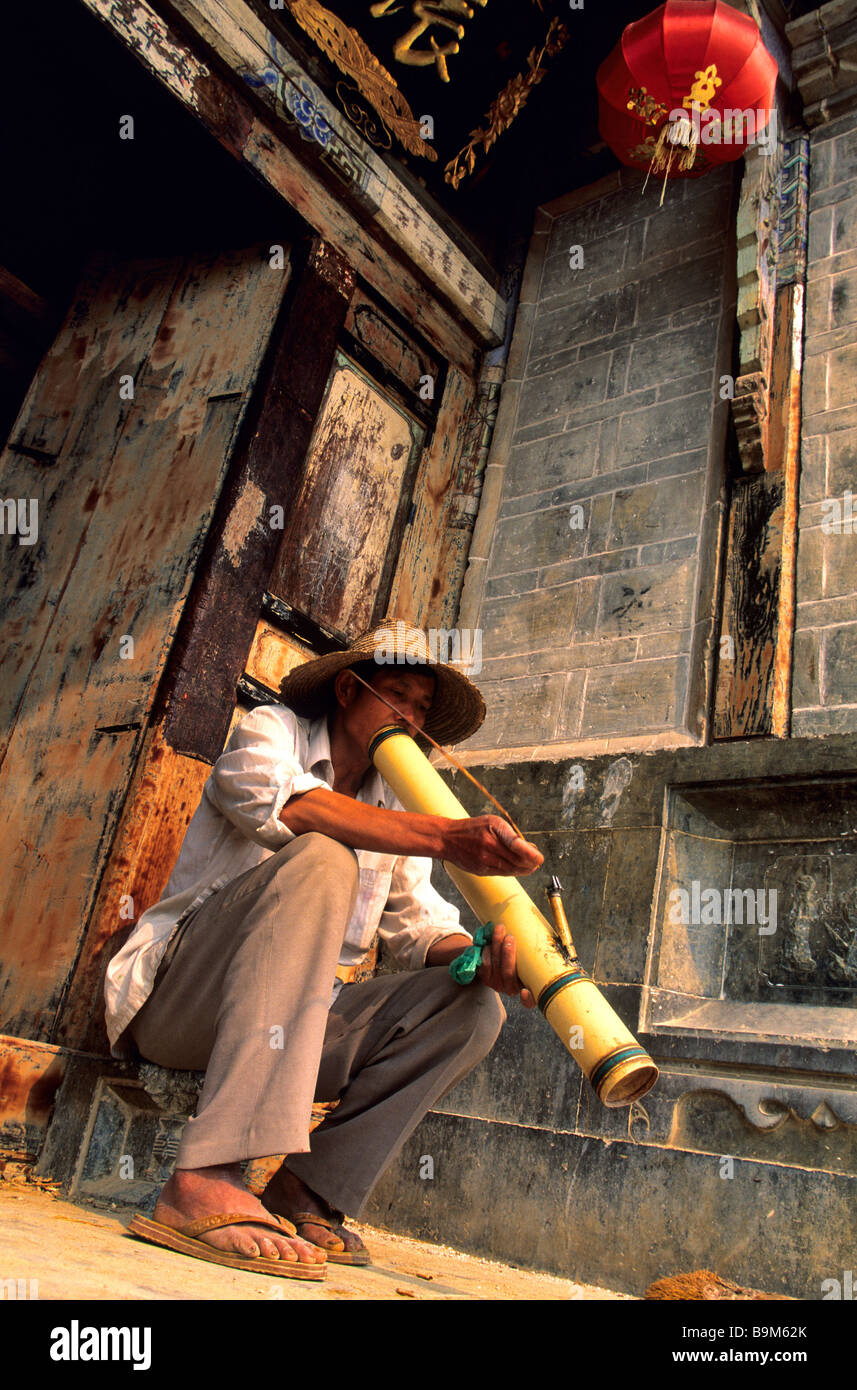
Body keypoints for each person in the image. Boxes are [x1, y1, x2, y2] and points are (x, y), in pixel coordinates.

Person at [104, 622, 543, 1280]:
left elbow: (416, 925)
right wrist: (443, 836)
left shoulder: (394, 795)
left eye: (423, 709)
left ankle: (307, 1188)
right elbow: (292, 809)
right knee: (321, 856)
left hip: (296, 1026)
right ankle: (205, 1175)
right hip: (179, 1011)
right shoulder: (271, 729)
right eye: (398, 695)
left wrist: (489, 959)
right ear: (347, 688)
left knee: (473, 1008)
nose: (413, 719)